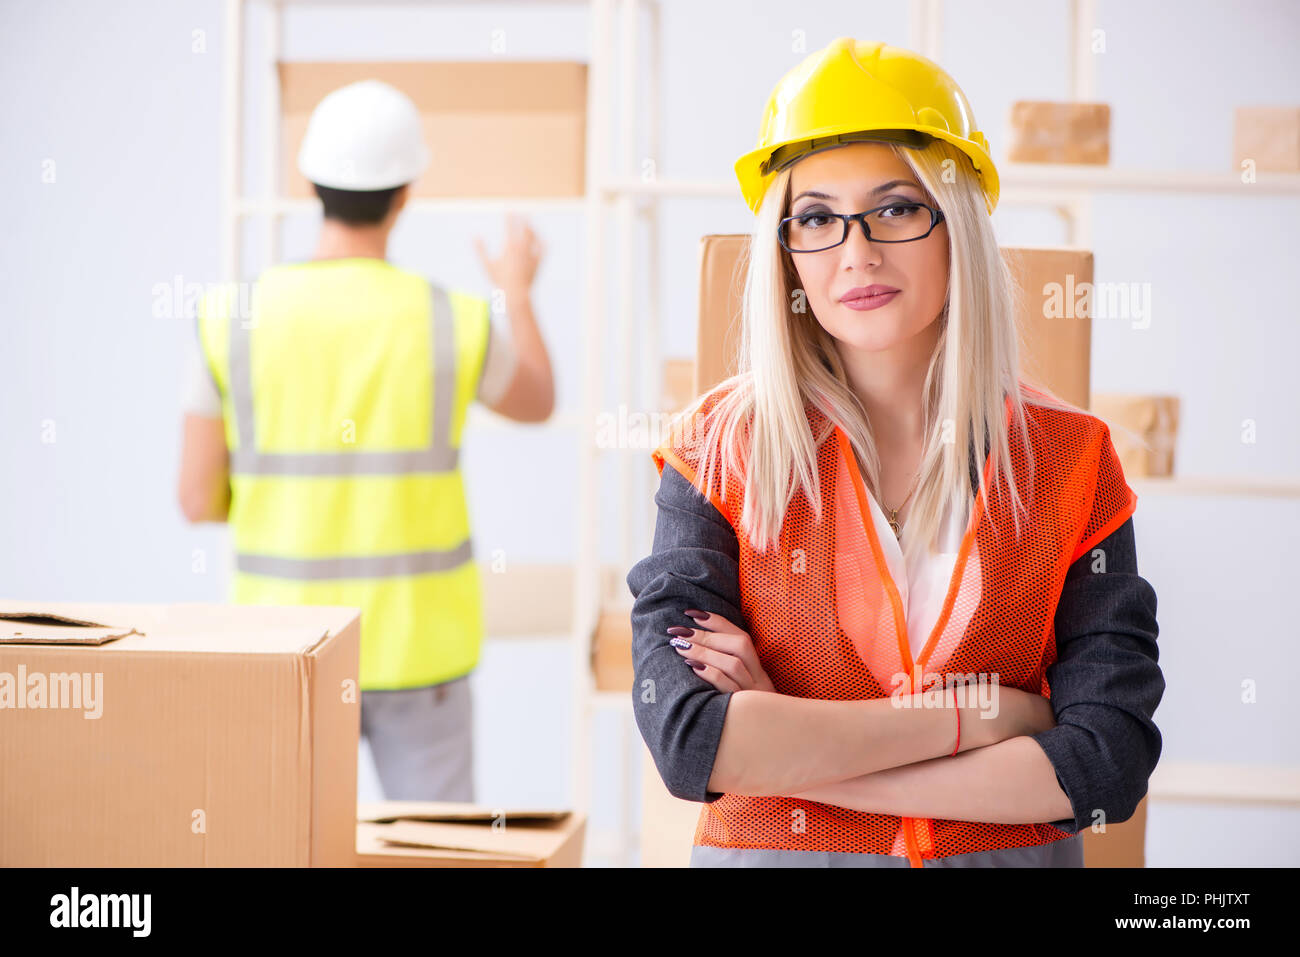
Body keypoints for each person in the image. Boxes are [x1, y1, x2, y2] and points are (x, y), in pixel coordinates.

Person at [627, 38, 1164, 867]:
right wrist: (984, 717)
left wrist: (786, 750)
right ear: (786, 248)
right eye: (816, 217)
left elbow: (1105, 763)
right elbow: (692, 741)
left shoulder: (1072, 461)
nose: (857, 250)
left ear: (960, 229)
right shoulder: (716, 452)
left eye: (896, 207)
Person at [178, 79, 555, 802]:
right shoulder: (451, 319)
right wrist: (517, 288)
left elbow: (196, 498)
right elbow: (539, 400)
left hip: (282, 651)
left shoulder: (231, 318)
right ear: (406, 191)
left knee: (275, 846)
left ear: (311, 181)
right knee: (433, 855)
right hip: (420, 653)